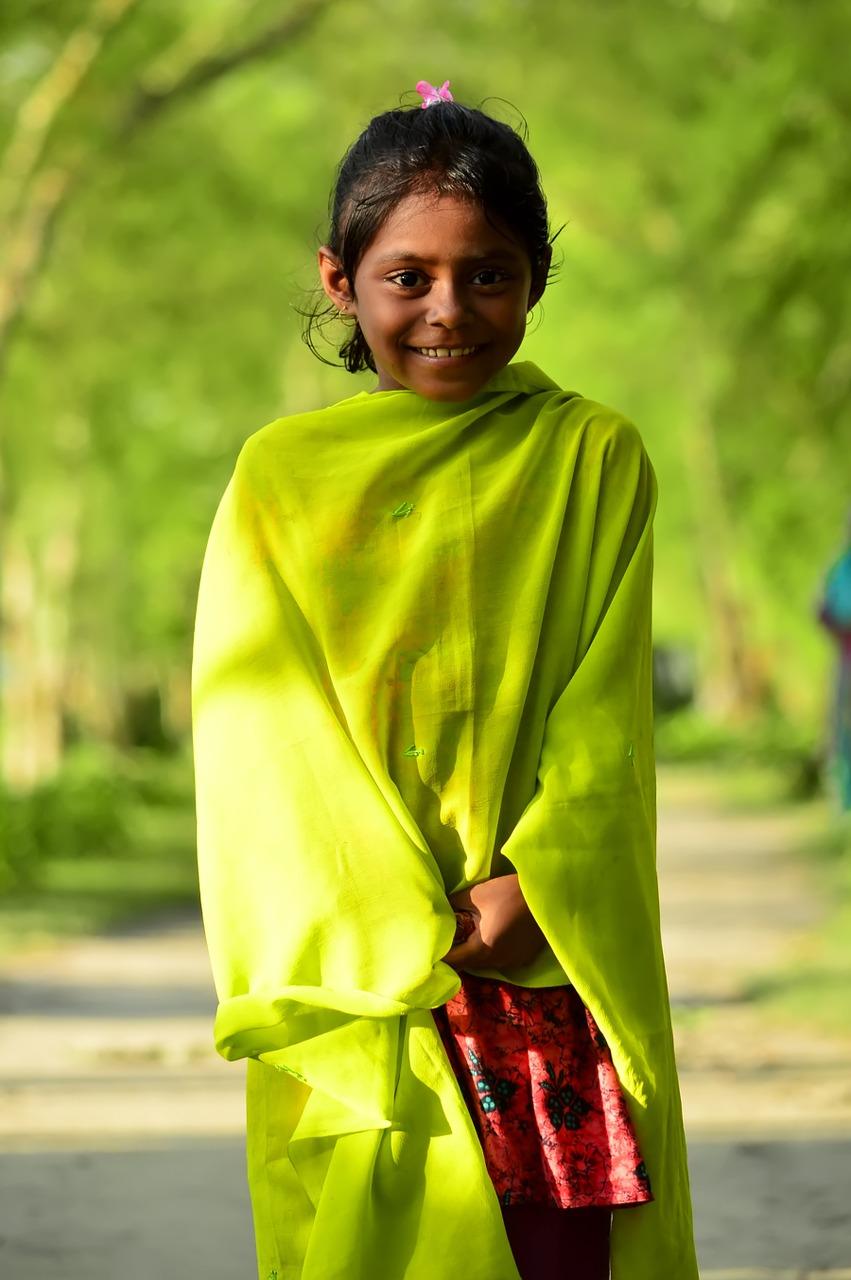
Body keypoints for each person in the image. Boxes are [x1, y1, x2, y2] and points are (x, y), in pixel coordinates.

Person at [191, 80, 698, 1280]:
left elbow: (600, 704)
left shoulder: (590, 453)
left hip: (532, 948)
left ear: (535, 278)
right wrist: (378, 915)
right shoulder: (280, 477)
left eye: (489, 274)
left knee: (552, 1246)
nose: (447, 311)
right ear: (337, 281)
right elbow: (261, 725)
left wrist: (533, 879)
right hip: (361, 956)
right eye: (405, 276)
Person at [818, 513, 851, 810]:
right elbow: (823, 612)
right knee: (841, 727)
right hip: (846, 660)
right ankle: (844, 800)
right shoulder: (840, 568)